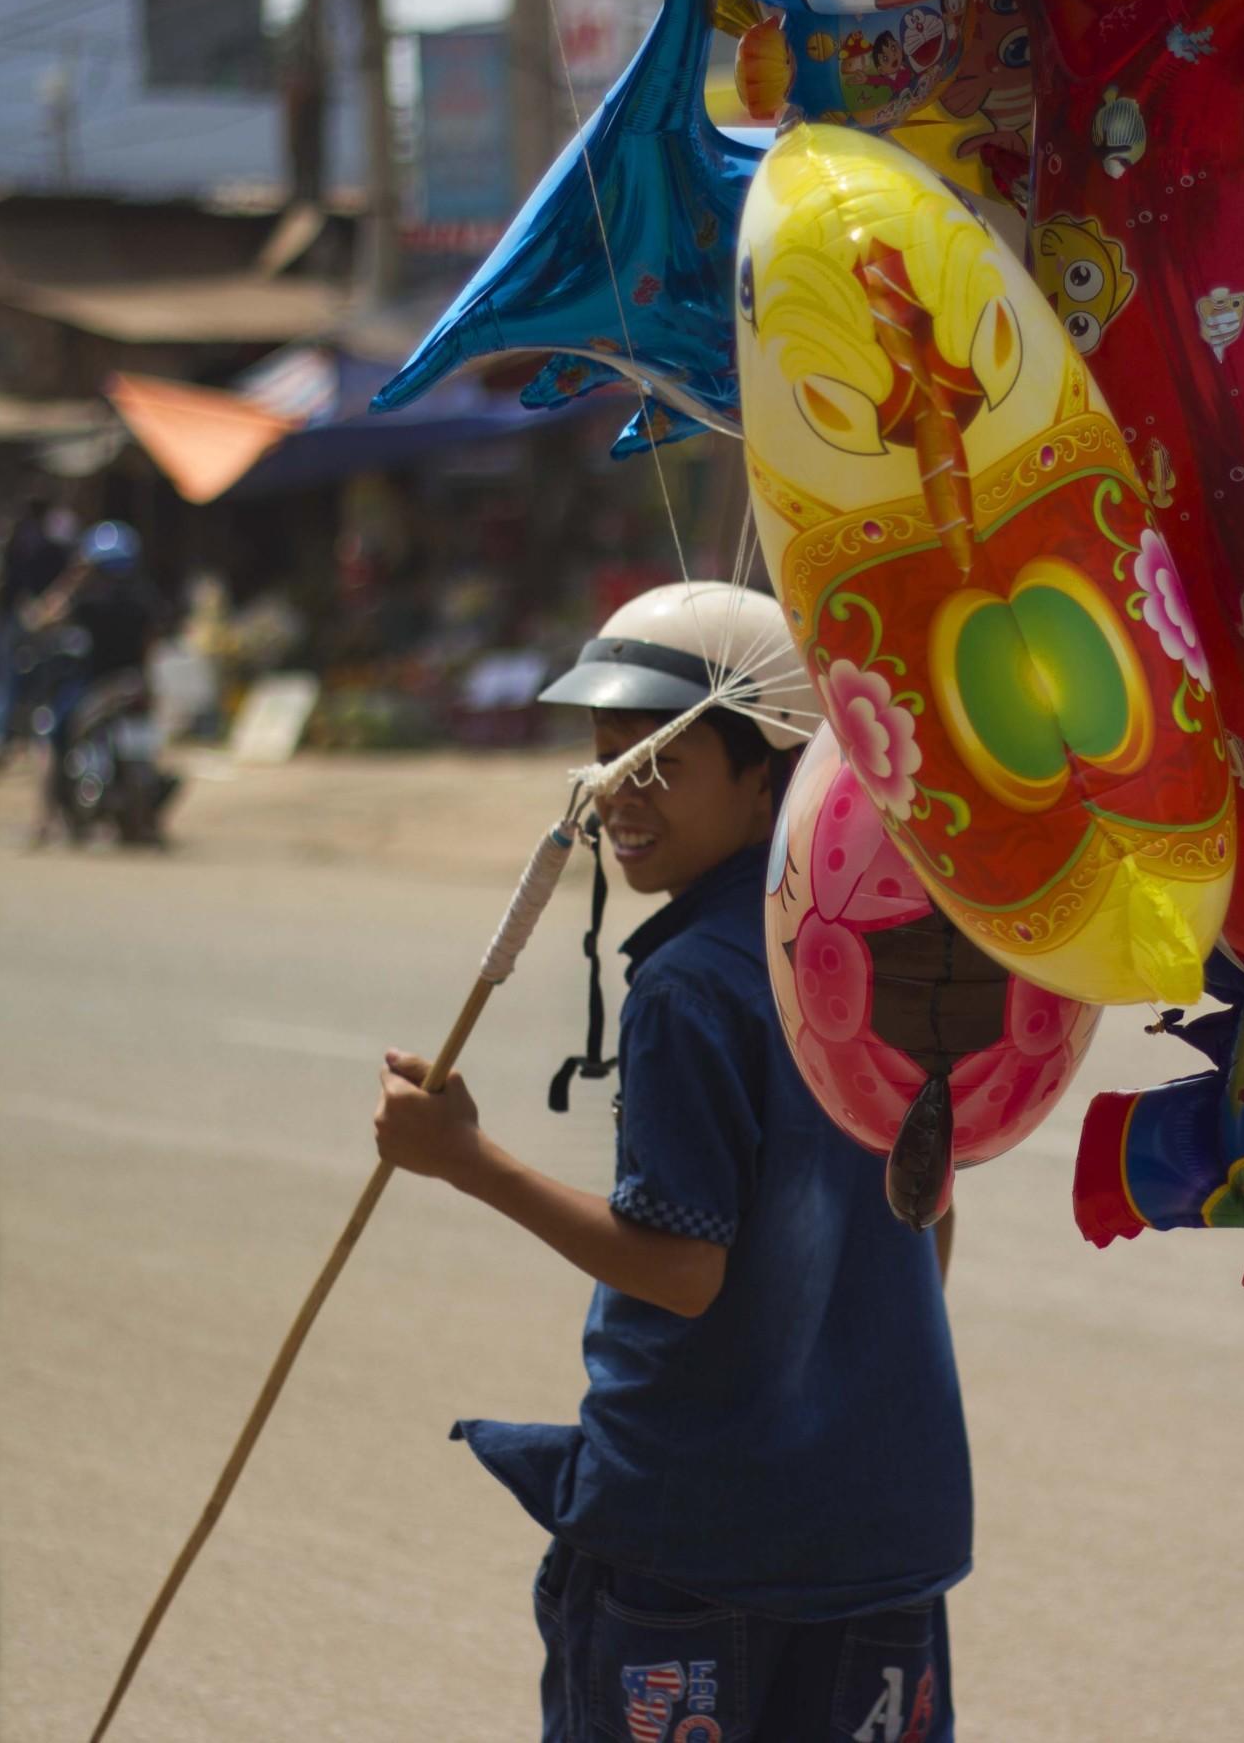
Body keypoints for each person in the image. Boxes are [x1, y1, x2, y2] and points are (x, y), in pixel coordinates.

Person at [373, 583, 969, 1743]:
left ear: (769, 775)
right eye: (604, 762)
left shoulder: (692, 985)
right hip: (886, 1523)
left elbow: (683, 1270)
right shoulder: (883, 945)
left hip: (704, 1537)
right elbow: (929, 1217)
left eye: (660, 763)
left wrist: (464, 1159)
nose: (617, 798)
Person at [26, 521, 162, 839]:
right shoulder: (144, 598)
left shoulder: (87, 599)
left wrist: (70, 580)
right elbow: (151, 643)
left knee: (51, 738)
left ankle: (44, 821)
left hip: (95, 688)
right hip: (134, 683)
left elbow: (42, 619)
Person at [0, 497, 71, 760]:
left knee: (9, 675)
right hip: (38, 615)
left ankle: (1, 736)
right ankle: (32, 736)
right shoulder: (48, 544)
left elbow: (2, 581)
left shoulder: (16, 542)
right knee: (37, 675)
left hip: (23, 615)